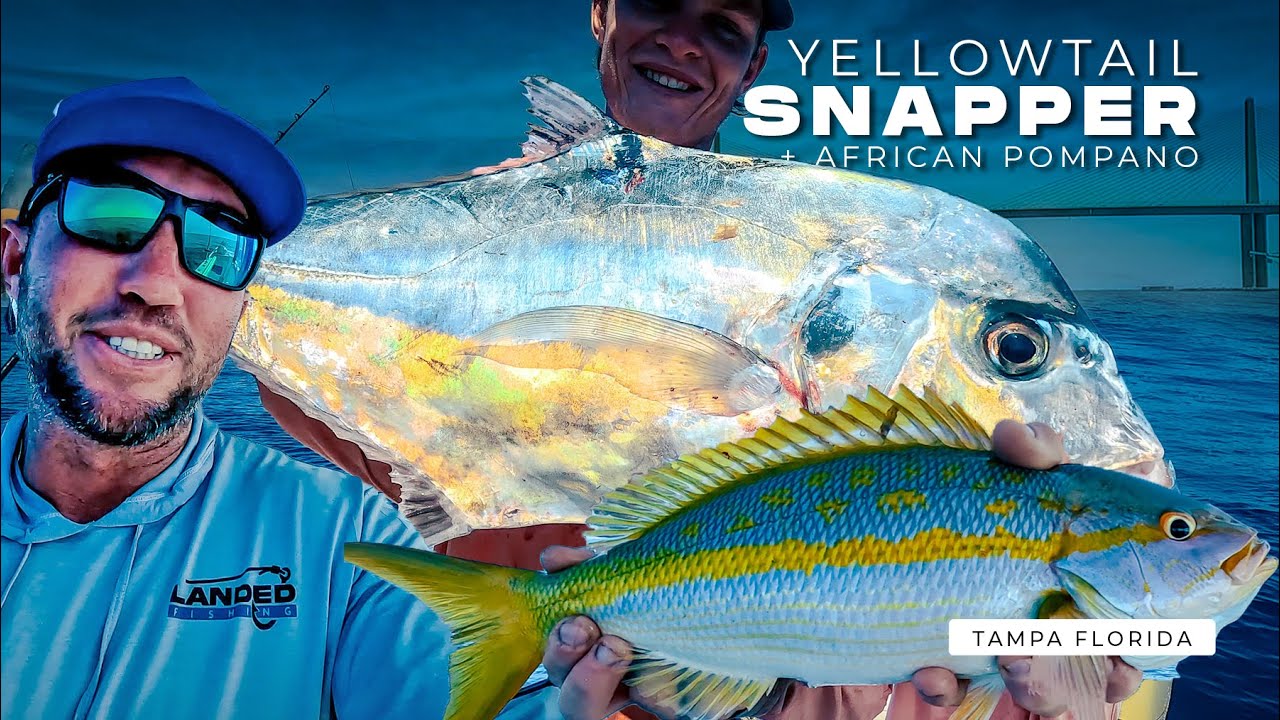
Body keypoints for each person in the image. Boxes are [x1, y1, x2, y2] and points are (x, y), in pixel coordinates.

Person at [253, 1, 1149, 718]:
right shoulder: (432, 230)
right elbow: (391, 448)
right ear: (600, 13)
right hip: (544, 677)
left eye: (723, 26)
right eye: (656, 0)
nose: (684, 40)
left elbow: (1095, 620)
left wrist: (1073, 631)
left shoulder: (814, 225)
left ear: (753, 64)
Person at [0, 77, 455, 719]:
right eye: (110, 215)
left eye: (218, 247)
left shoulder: (349, 540)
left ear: (240, 308)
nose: (156, 285)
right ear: (15, 261)